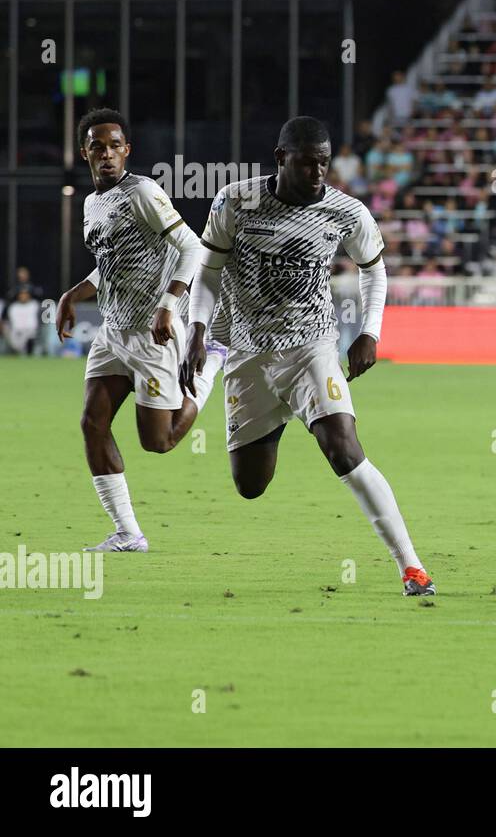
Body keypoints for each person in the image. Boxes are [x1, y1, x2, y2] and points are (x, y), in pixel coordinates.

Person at [181, 116, 435, 597]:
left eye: (324, 162)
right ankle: (279, 416)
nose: (318, 173)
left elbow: (373, 272)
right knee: (250, 485)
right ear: (280, 159)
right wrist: (197, 328)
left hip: (312, 348)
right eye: (307, 163)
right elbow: (209, 270)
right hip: (247, 353)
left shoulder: (346, 212)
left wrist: (369, 332)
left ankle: (412, 567)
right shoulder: (236, 200)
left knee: (343, 448)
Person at [54, 108, 225, 553]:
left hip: (155, 334)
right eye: (98, 147)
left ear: (127, 150)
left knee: (159, 441)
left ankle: (209, 370)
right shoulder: (92, 203)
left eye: (115, 146)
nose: (107, 154)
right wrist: (75, 292)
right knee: (92, 422)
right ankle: (129, 533)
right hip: (113, 332)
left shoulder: (143, 192)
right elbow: (111, 261)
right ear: (84, 153)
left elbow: (191, 246)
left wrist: (169, 306)